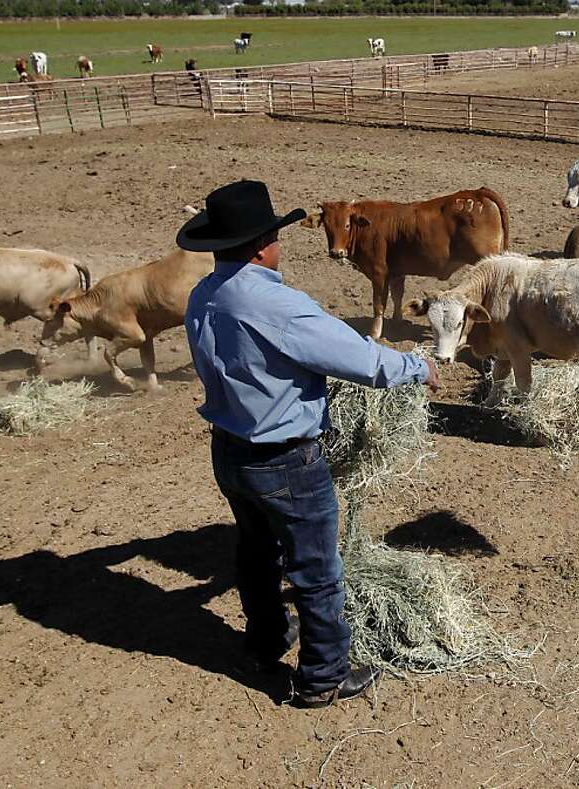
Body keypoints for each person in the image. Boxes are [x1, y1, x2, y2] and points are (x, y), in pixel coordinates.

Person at [179, 180, 439, 708]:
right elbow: (359, 359)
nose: (281, 247)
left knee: (254, 552)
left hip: (229, 449)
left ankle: (266, 639)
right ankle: (324, 676)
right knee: (316, 569)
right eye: (276, 237)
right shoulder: (275, 303)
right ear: (260, 246)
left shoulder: (204, 294)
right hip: (284, 457)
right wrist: (418, 368)